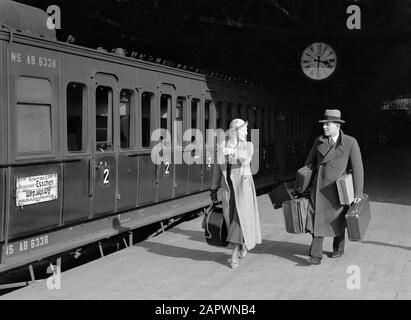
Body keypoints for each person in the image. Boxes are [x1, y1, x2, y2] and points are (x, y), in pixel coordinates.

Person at [304, 109, 364, 265]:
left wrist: (358, 192)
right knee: (317, 220)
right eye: (323, 125)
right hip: (319, 188)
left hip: (338, 190)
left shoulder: (350, 142)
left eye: (327, 125)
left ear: (337, 125)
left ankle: (339, 248)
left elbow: (358, 168)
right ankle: (315, 255)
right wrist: (302, 182)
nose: (324, 127)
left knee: (337, 220)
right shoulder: (319, 140)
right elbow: (308, 164)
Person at [210, 119, 262, 268]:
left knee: (238, 221)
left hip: (243, 190)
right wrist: (213, 189)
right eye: (244, 129)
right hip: (228, 190)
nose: (246, 132)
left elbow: (246, 159)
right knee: (231, 218)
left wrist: (231, 151)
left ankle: (233, 254)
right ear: (234, 131)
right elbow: (216, 172)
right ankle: (242, 244)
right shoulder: (221, 148)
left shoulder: (248, 146)